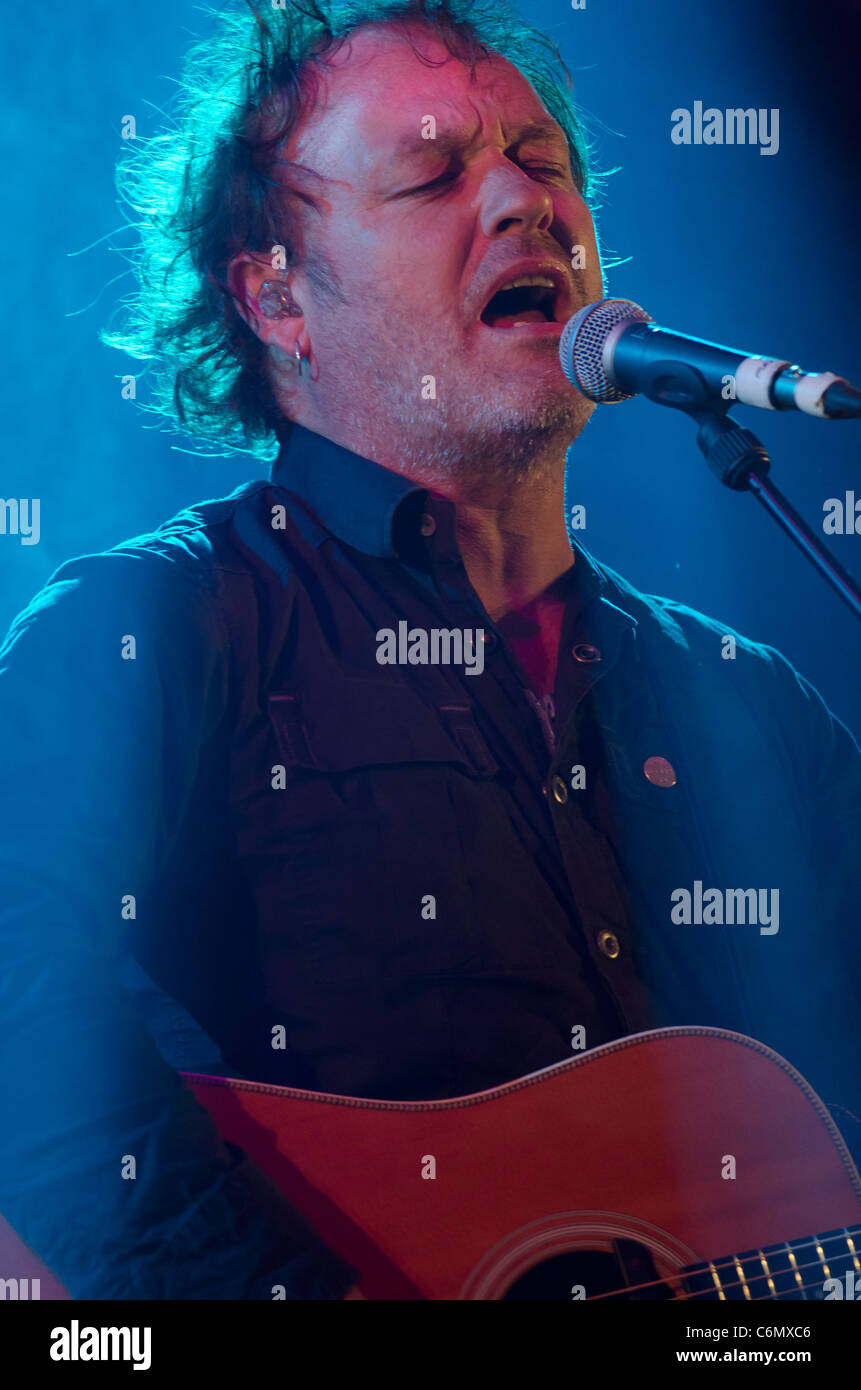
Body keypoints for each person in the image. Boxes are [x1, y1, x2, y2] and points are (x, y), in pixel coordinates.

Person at [0, 0, 858, 1302]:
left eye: (542, 159)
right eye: (432, 172)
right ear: (274, 292)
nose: (521, 200)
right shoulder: (148, 630)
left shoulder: (743, 699)